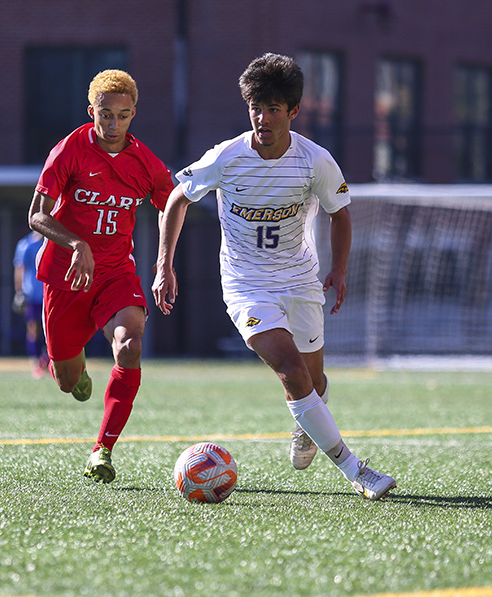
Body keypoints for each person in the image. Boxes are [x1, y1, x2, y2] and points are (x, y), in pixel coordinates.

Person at [153, 53, 397, 501]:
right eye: (255, 108)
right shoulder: (227, 156)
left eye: (273, 109)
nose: (262, 118)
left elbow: (340, 213)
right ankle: (356, 470)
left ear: (293, 111)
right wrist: (164, 263)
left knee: (314, 381)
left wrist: (339, 268)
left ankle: (308, 425)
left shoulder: (314, 160)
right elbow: (176, 199)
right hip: (246, 284)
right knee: (289, 369)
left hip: (301, 280)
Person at [28, 69, 174, 483]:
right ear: (91, 110)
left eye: (123, 116)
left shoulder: (145, 162)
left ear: (134, 114)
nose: (114, 125)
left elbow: (173, 204)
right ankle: (77, 371)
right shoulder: (69, 150)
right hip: (66, 277)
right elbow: (36, 214)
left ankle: (102, 450)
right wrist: (77, 244)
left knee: (130, 346)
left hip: (115, 274)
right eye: (106, 115)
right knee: (66, 380)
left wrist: (164, 261)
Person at [14, 230, 50, 377]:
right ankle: (36, 362)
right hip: (32, 295)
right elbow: (19, 269)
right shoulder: (25, 245)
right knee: (33, 329)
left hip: (50, 294)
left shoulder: (52, 243)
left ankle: (48, 360)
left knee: (50, 330)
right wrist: (19, 292)